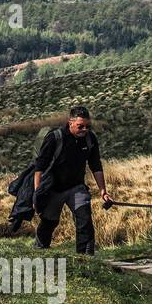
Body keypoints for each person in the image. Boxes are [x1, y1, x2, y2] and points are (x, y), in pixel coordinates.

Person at [32, 105, 110, 255]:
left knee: (85, 220)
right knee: (49, 222)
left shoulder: (90, 139)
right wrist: (37, 192)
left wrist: (103, 191)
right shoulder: (55, 137)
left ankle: (85, 259)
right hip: (53, 188)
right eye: (80, 126)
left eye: (88, 126)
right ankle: (40, 251)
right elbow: (40, 166)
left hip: (76, 187)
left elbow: (96, 165)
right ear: (70, 123)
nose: (85, 130)